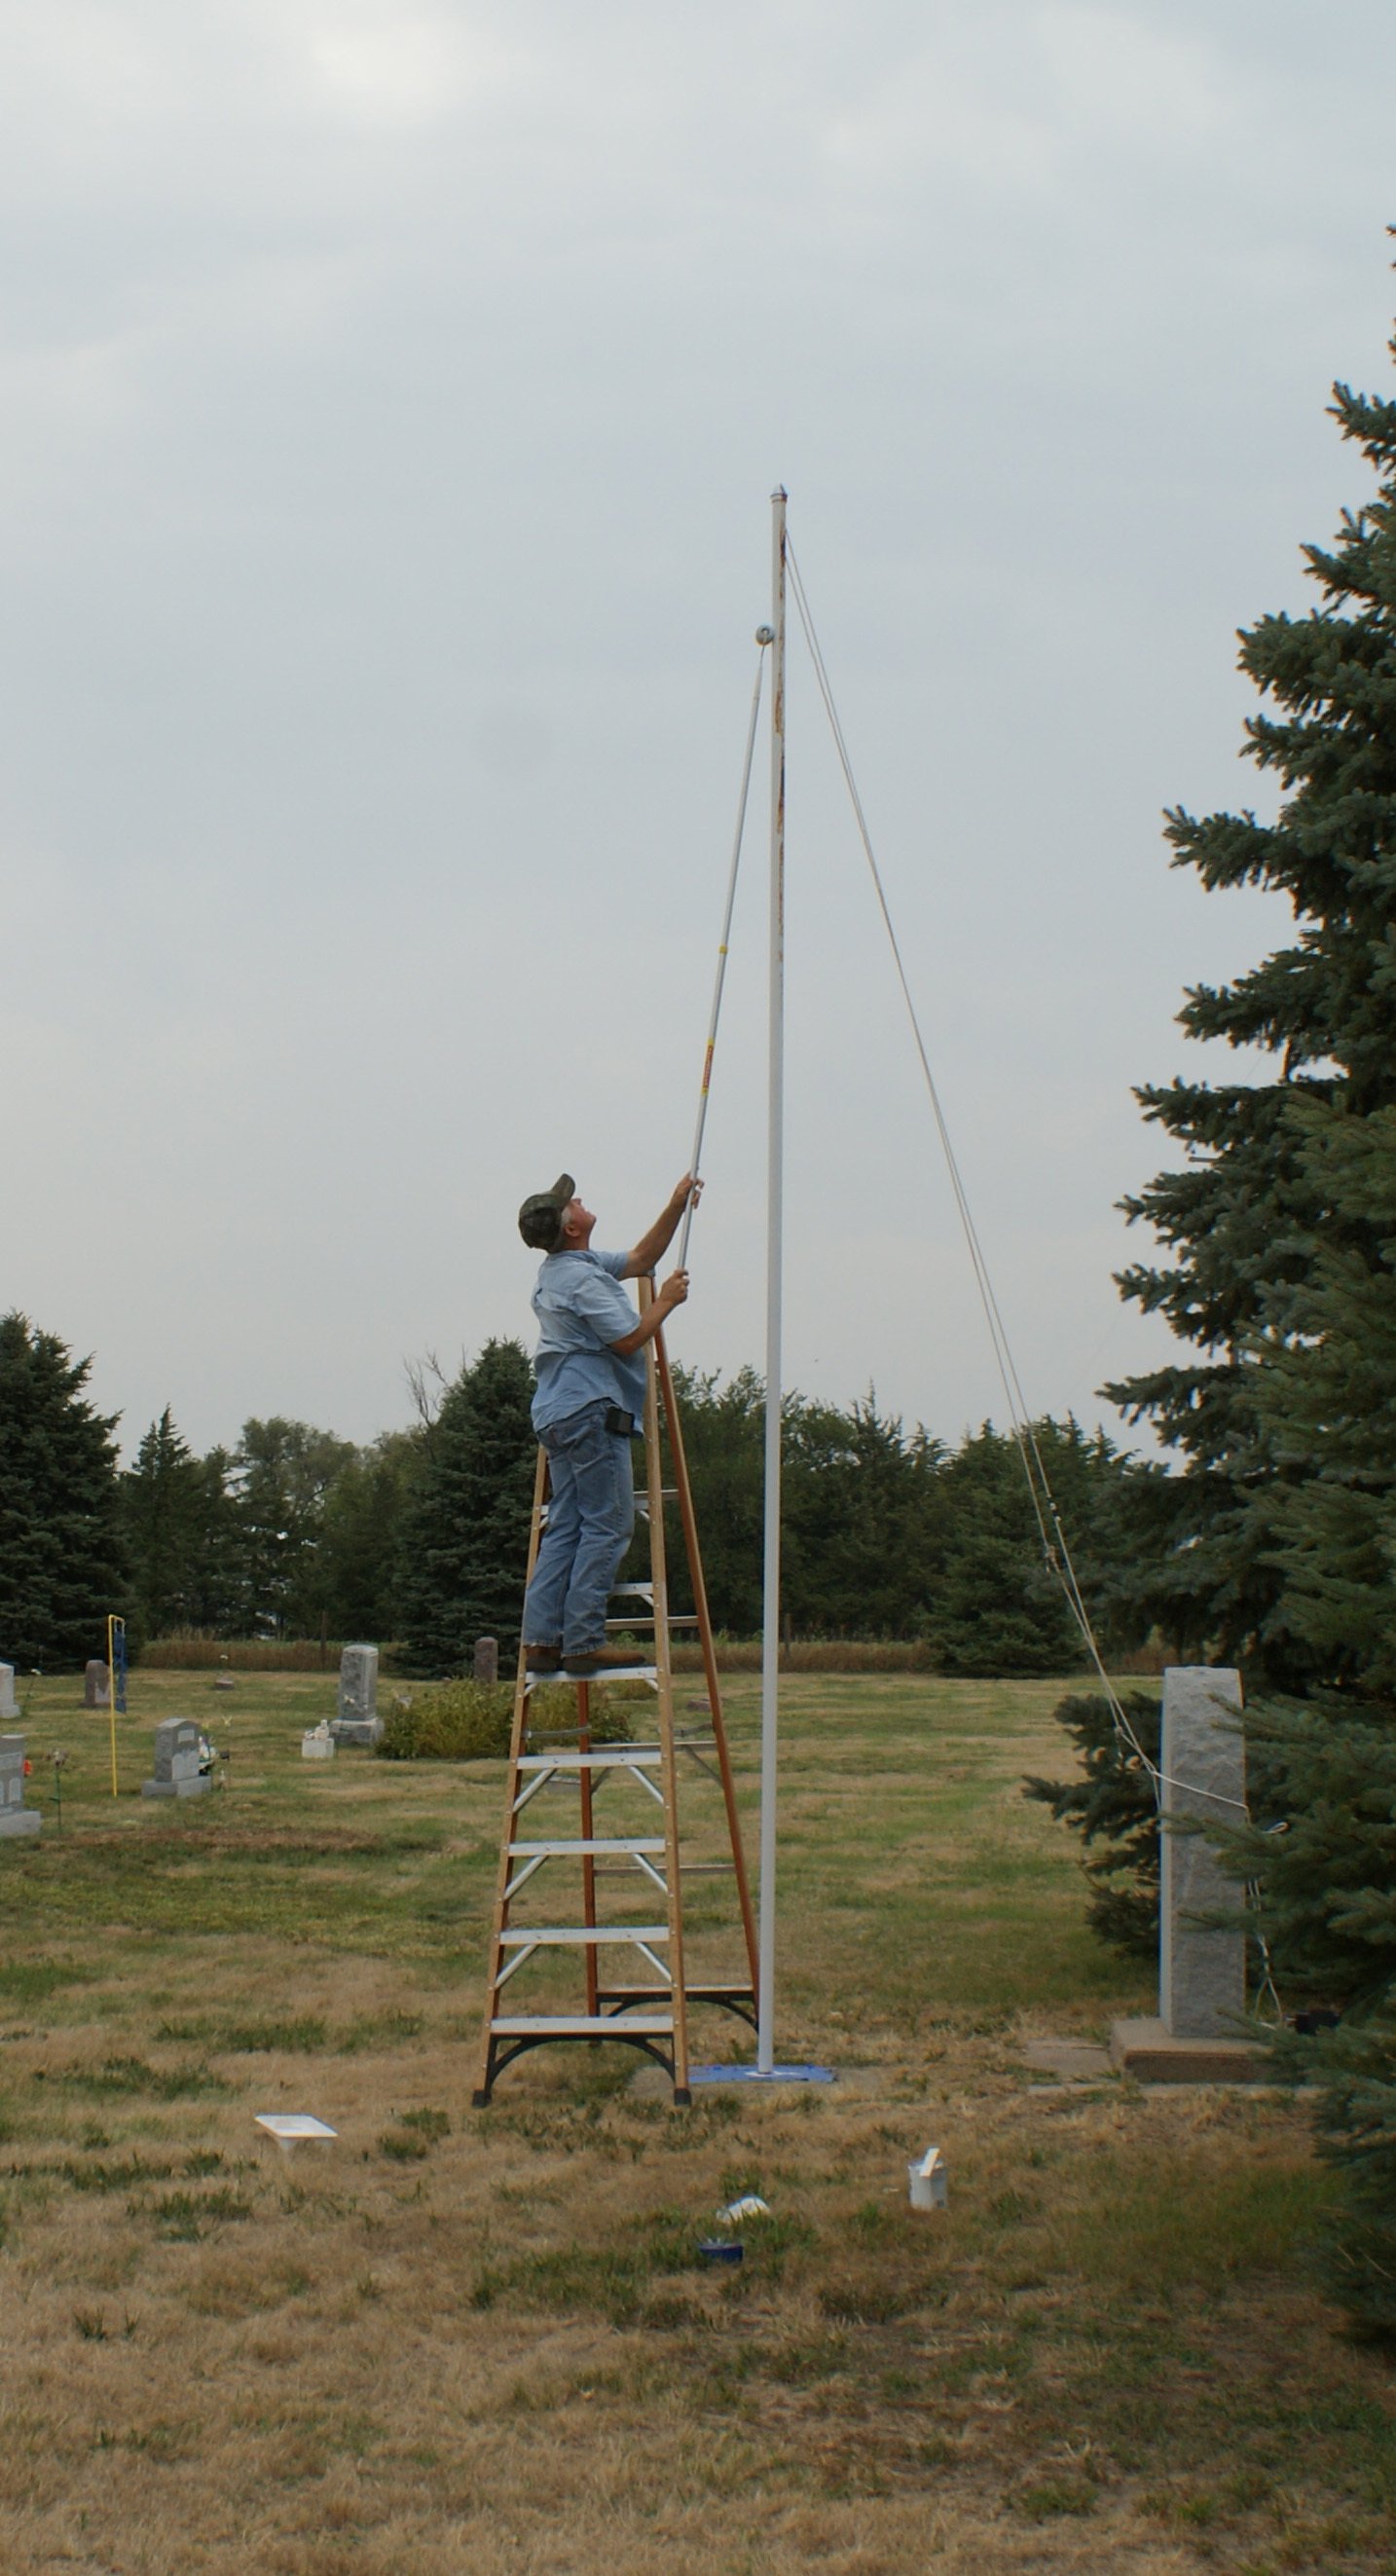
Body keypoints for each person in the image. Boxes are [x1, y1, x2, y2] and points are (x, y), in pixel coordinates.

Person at [516, 1171, 698, 1679]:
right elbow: (624, 1340)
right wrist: (666, 1302)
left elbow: (641, 1260)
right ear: (571, 1227)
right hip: (592, 1412)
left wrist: (676, 1204)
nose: (577, 1199)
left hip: (558, 1414)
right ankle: (583, 1642)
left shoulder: (568, 1267)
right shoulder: (581, 1279)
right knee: (608, 1524)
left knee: (568, 1525)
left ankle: (541, 1641)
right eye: (570, 1202)